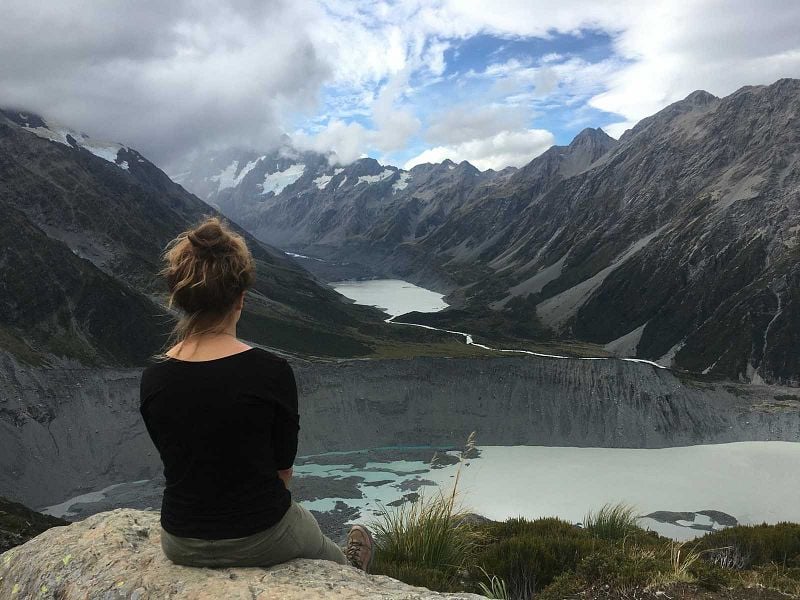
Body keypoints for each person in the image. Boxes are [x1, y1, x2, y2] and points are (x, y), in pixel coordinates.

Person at [138, 215, 373, 571]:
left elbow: (179, 462)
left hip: (180, 541)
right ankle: (353, 571)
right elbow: (283, 473)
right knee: (329, 553)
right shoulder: (271, 372)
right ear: (240, 298)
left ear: (180, 298)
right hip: (262, 534)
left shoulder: (153, 378)